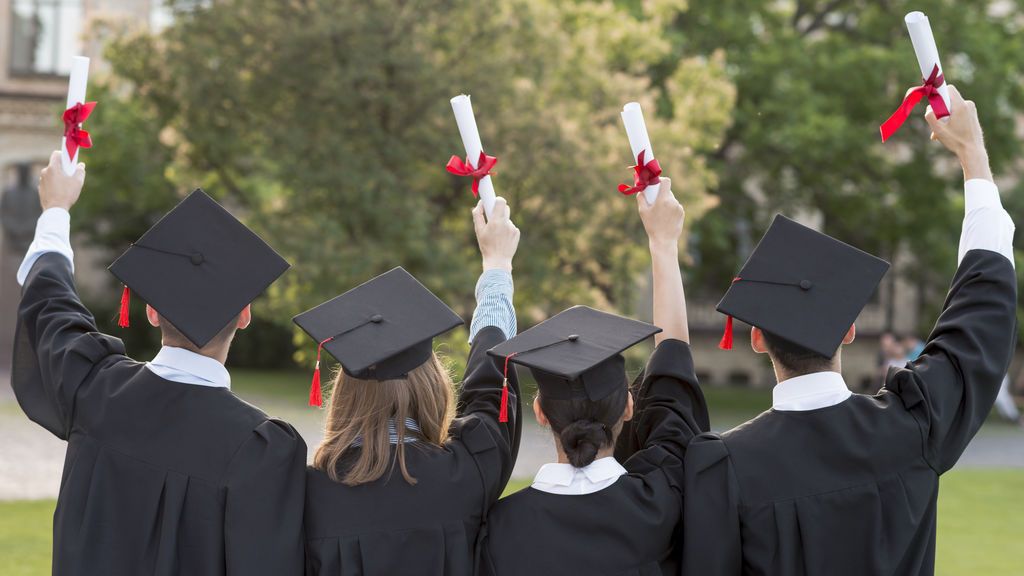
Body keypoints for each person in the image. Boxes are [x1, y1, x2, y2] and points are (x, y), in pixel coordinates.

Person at [683, 85, 1016, 575]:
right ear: (849, 331)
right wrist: (974, 156)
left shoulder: (725, 469)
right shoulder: (912, 428)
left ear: (756, 338)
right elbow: (982, 318)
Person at [12, 152, 306, 575]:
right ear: (244, 316)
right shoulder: (259, 450)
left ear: (151, 312)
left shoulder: (94, 388)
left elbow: (51, 306)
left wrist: (56, 209)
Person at [479, 179, 710, 575]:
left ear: (541, 412)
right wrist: (663, 243)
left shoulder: (501, 530)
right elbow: (674, 371)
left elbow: (673, 371)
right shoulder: (659, 501)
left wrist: (496, 265)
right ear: (629, 407)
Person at [298, 197, 522, 575]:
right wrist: (497, 265)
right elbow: (490, 385)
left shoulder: (305, 495)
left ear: (343, 394)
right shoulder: (468, 472)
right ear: (432, 385)